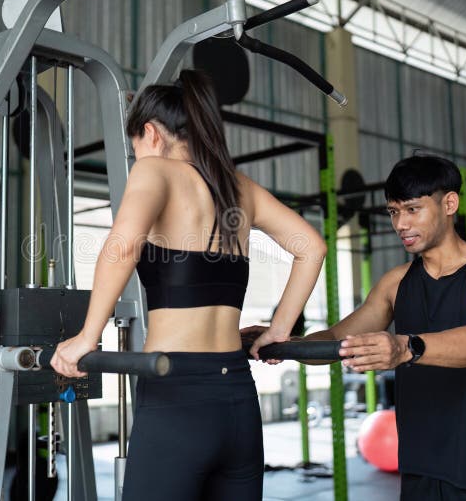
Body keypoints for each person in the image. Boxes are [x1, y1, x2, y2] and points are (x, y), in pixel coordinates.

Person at [50, 69, 327, 500]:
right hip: (237, 398)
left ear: (151, 134)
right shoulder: (240, 189)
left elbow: (121, 247)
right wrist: (278, 330)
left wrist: (88, 337)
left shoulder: (155, 171)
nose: (137, 156)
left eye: (135, 147)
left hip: (176, 395)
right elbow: (312, 247)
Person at [246, 154, 466, 500]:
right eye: (393, 211)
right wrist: (281, 342)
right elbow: (337, 341)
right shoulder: (395, 283)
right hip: (421, 467)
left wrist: (405, 348)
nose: (400, 223)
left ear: (449, 203)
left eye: (413, 209)